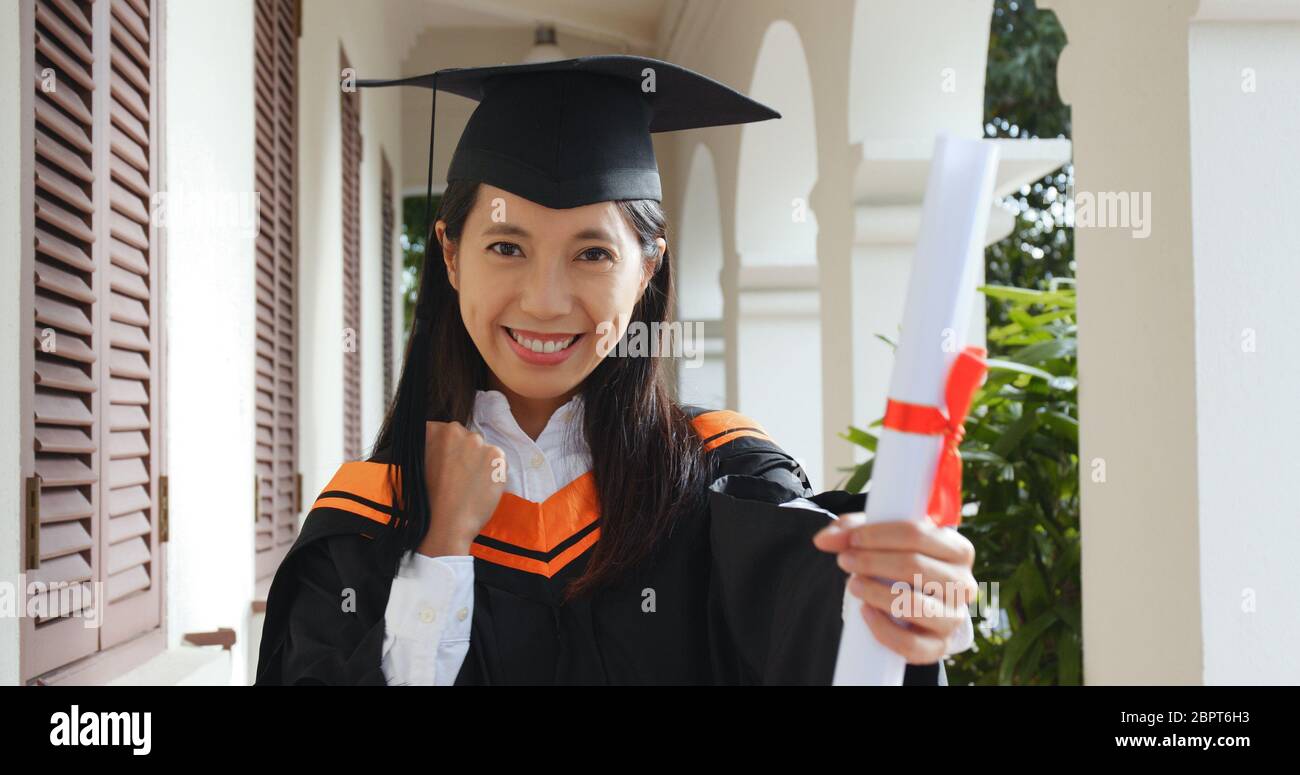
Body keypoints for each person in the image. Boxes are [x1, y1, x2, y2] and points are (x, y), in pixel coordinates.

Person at [254, 55, 977, 685]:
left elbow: (826, 614)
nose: (544, 300)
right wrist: (440, 549)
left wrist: (906, 596)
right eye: (507, 247)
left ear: (647, 269)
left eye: (592, 253)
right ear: (449, 253)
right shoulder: (367, 522)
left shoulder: (718, 477)